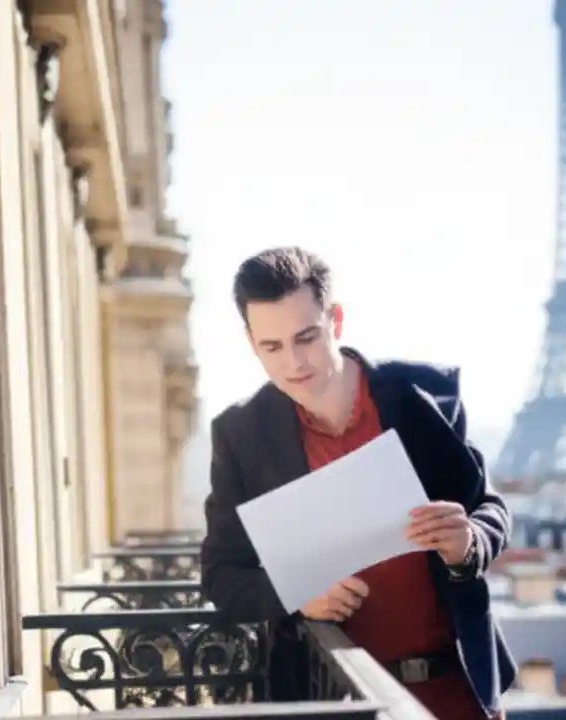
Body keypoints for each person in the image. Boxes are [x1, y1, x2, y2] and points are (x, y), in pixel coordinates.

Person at [199, 246, 515, 720]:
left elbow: (489, 509)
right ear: (250, 342)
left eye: (306, 337)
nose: (293, 363)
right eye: (272, 347)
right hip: (337, 699)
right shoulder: (243, 435)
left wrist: (469, 542)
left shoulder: (422, 396)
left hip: (456, 690)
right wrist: (297, 595)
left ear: (336, 320)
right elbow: (223, 575)